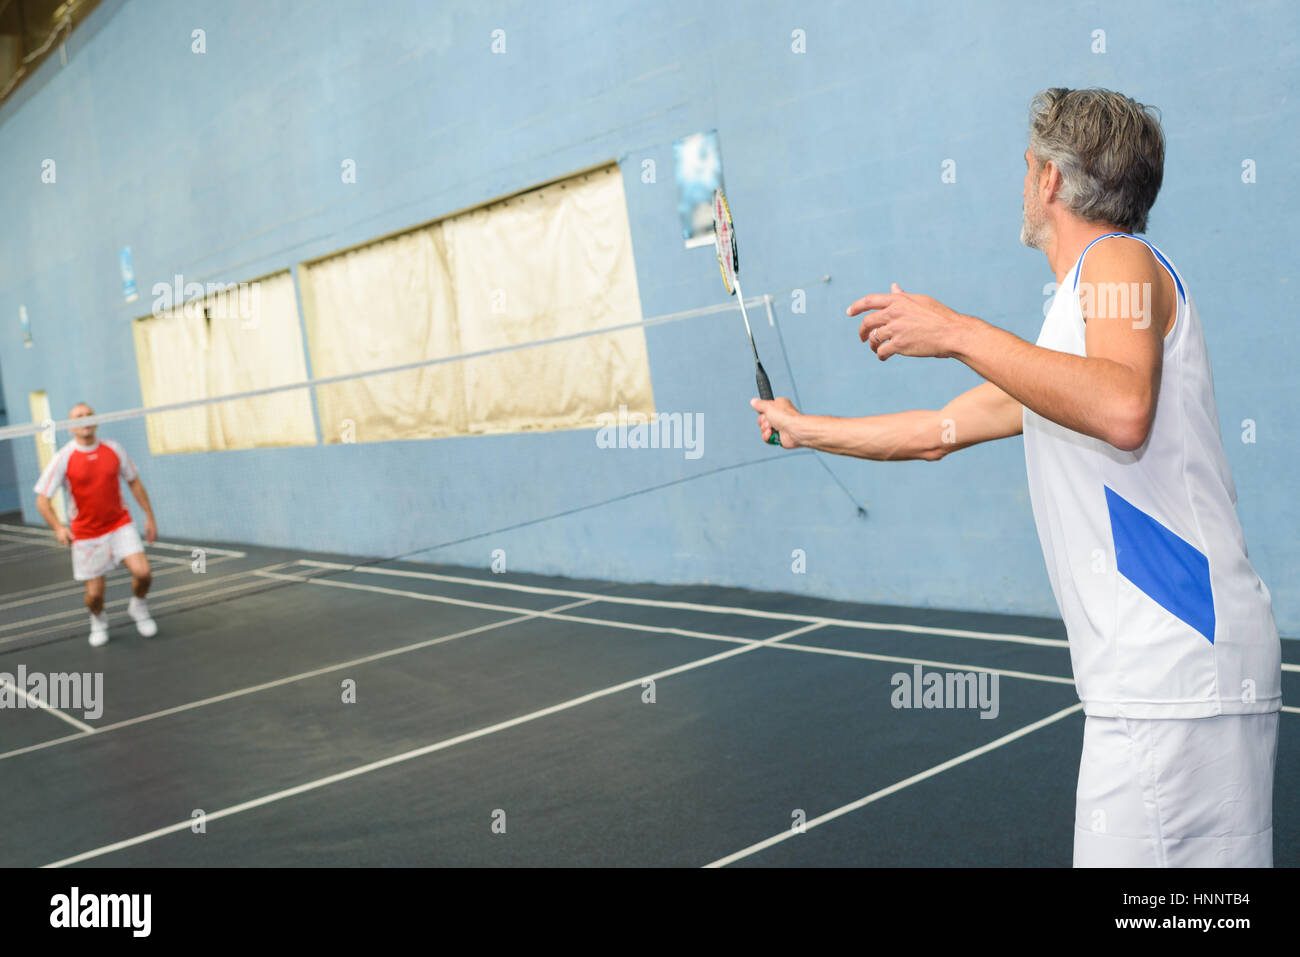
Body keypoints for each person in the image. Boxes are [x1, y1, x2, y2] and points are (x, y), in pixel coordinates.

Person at [752, 88, 1282, 867]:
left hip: (1172, 664)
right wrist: (803, 428)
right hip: (1170, 676)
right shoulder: (1072, 329)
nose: (1023, 181)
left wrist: (958, 331)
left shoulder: (1118, 261)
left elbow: (1124, 407)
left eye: (1026, 165)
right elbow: (936, 433)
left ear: (1050, 182)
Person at [33, 403, 159, 646]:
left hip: (120, 525)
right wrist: (59, 528)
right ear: (71, 426)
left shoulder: (114, 449)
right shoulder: (63, 457)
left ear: (96, 420)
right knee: (94, 596)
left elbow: (134, 482)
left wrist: (149, 517)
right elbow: (42, 500)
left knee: (143, 573)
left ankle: (139, 607)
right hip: (87, 535)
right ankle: (98, 619)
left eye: (88, 415)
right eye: (78, 417)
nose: (84, 419)